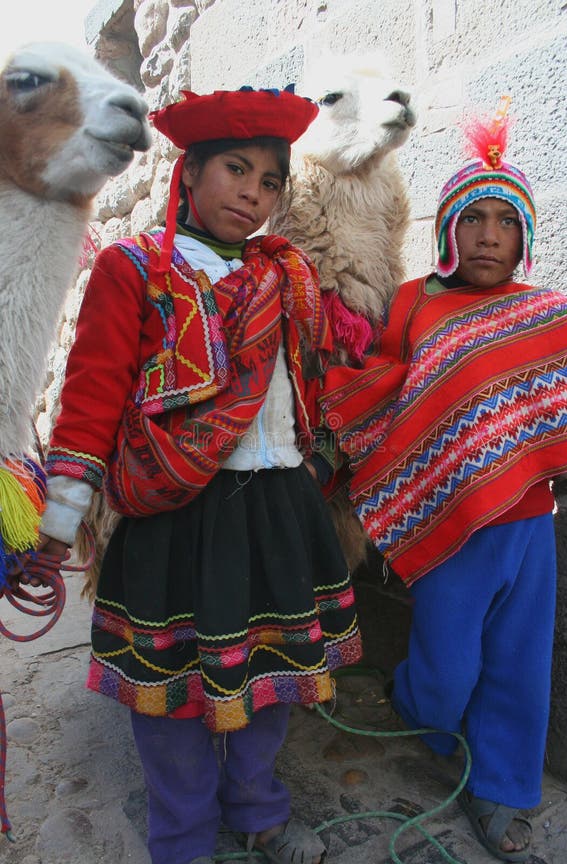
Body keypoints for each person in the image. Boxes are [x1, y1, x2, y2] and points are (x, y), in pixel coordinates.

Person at [35, 86, 363, 864]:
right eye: (236, 170)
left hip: (279, 501)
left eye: (271, 181)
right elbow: (91, 396)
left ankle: (257, 806)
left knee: (276, 669)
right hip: (175, 510)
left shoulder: (287, 275)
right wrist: (59, 517)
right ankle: (181, 835)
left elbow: (313, 380)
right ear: (190, 172)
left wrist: (318, 461)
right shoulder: (135, 270)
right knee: (172, 688)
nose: (253, 193)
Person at [319, 104, 567, 862]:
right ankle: (419, 707)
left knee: (519, 668)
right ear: (447, 232)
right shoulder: (415, 304)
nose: (488, 234)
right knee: (446, 668)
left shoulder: (552, 316)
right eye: (472, 219)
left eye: (504, 220)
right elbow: (378, 385)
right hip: (444, 528)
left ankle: (501, 788)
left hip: (528, 525)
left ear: (524, 236)